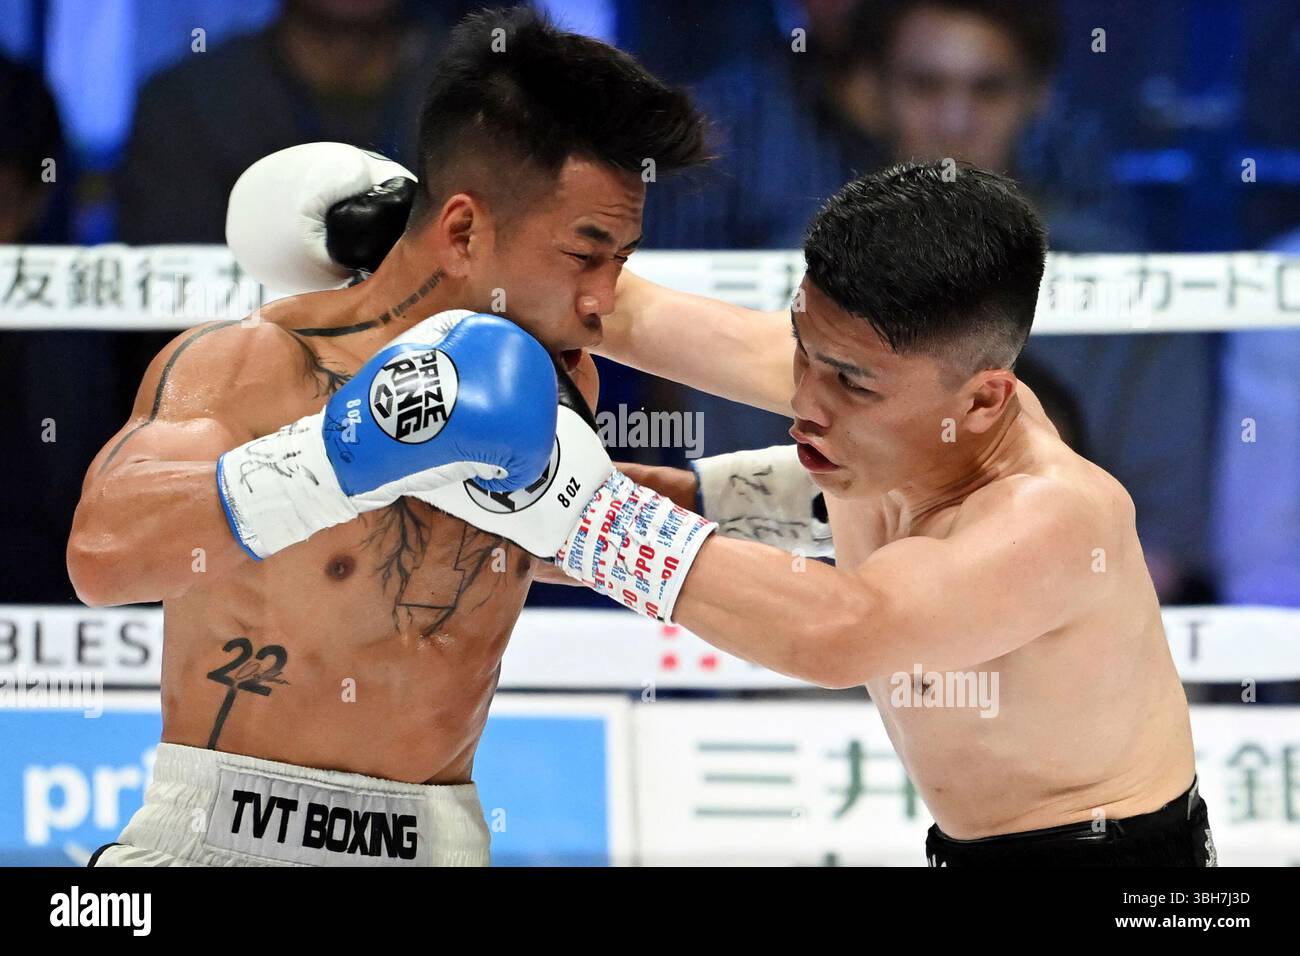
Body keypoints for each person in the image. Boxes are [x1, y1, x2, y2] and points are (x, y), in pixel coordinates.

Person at [68, 7, 707, 867]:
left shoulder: (558, 389)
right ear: (463, 232)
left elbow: (558, 537)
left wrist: (784, 501)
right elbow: (104, 558)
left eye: (621, 260)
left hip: (442, 845)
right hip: (221, 840)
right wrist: (339, 457)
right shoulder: (260, 364)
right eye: (586, 253)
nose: (604, 300)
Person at [442, 161, 1215, 865]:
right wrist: (440, 231)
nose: (804, 402)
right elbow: (623, 311)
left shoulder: (1059, 515)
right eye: (802, 349)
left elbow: (841, 634)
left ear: (983, 400)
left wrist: (593, 520)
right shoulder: (898, 411)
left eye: (849, 381)